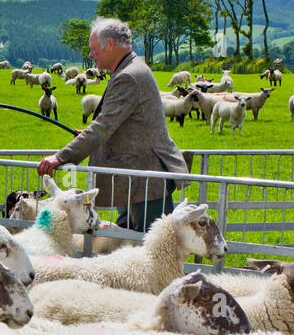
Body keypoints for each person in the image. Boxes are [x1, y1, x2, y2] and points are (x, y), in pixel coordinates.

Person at [37, 17, 190, 230]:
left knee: (151, 253)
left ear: (110, 44)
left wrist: (59, 158)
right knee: (126, 248)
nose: (90, 55)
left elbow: (103, 127)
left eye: (93, 49)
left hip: (145, 182)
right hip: (134, 181)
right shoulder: (129, 70)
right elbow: (121, 124)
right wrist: (87, 137)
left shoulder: (129, 76)